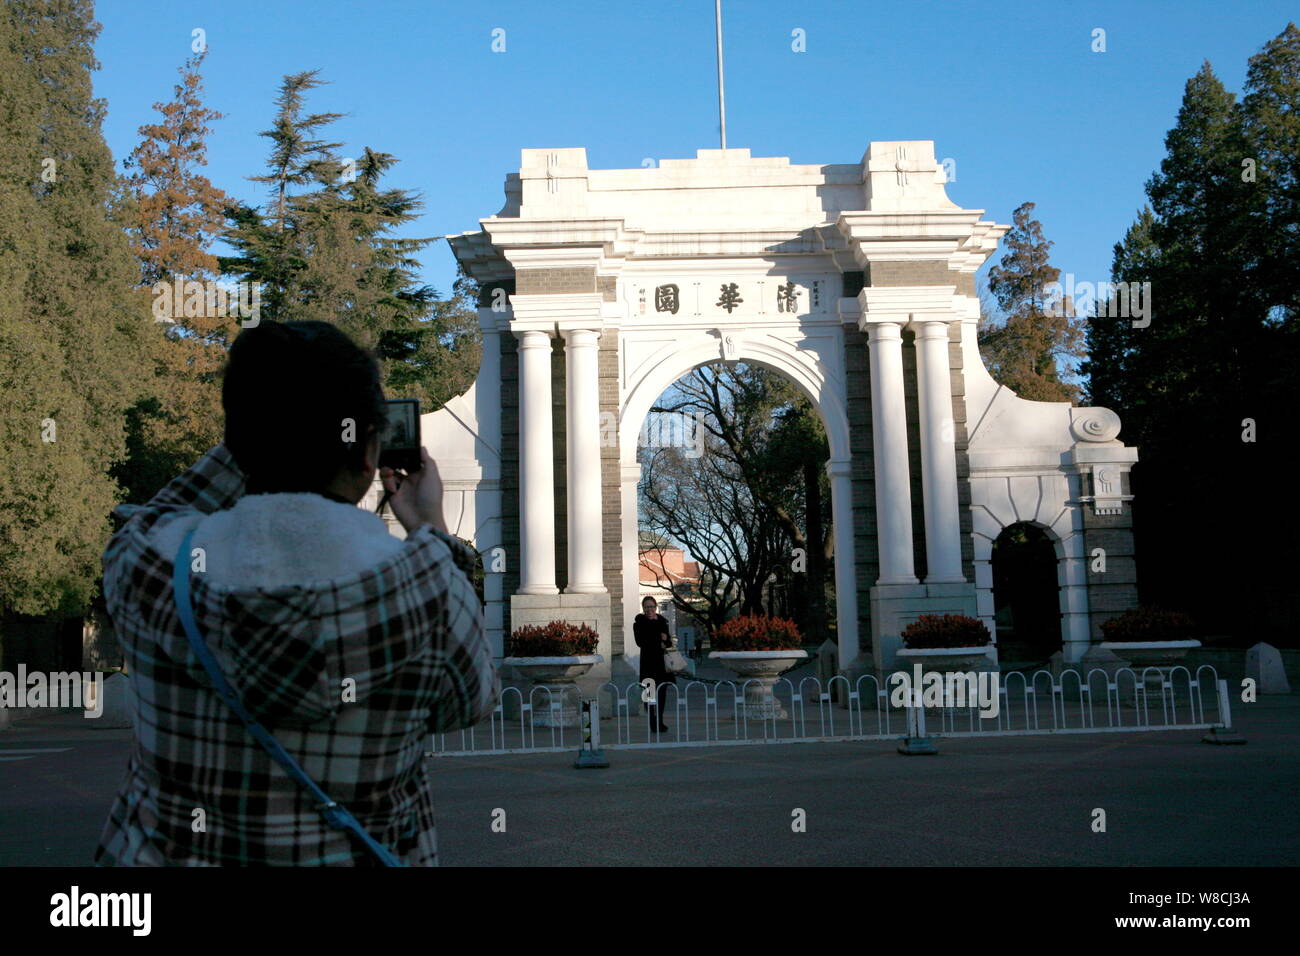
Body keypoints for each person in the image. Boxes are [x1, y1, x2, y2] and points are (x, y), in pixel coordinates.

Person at [94, 320, 499, 866]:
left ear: (237, 443)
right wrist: (433, 532)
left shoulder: (145, 563)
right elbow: (469, 704)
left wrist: (263, 430)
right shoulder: (431, 591)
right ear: (366, 456)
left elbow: (165, 509)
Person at [633, 596, 675, 733]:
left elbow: (668, 642)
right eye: (646, 607)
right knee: (649, 695)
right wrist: (659, 638)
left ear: (655, 607)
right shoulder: (639, 623)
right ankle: (652, 721)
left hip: (662, 663)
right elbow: (640, 642)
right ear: (643, 608)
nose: (649, 609)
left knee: (662, 693)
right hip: (648, 663)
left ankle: (660, 721)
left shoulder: (663, 622)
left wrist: (665, 639)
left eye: (651, 606)